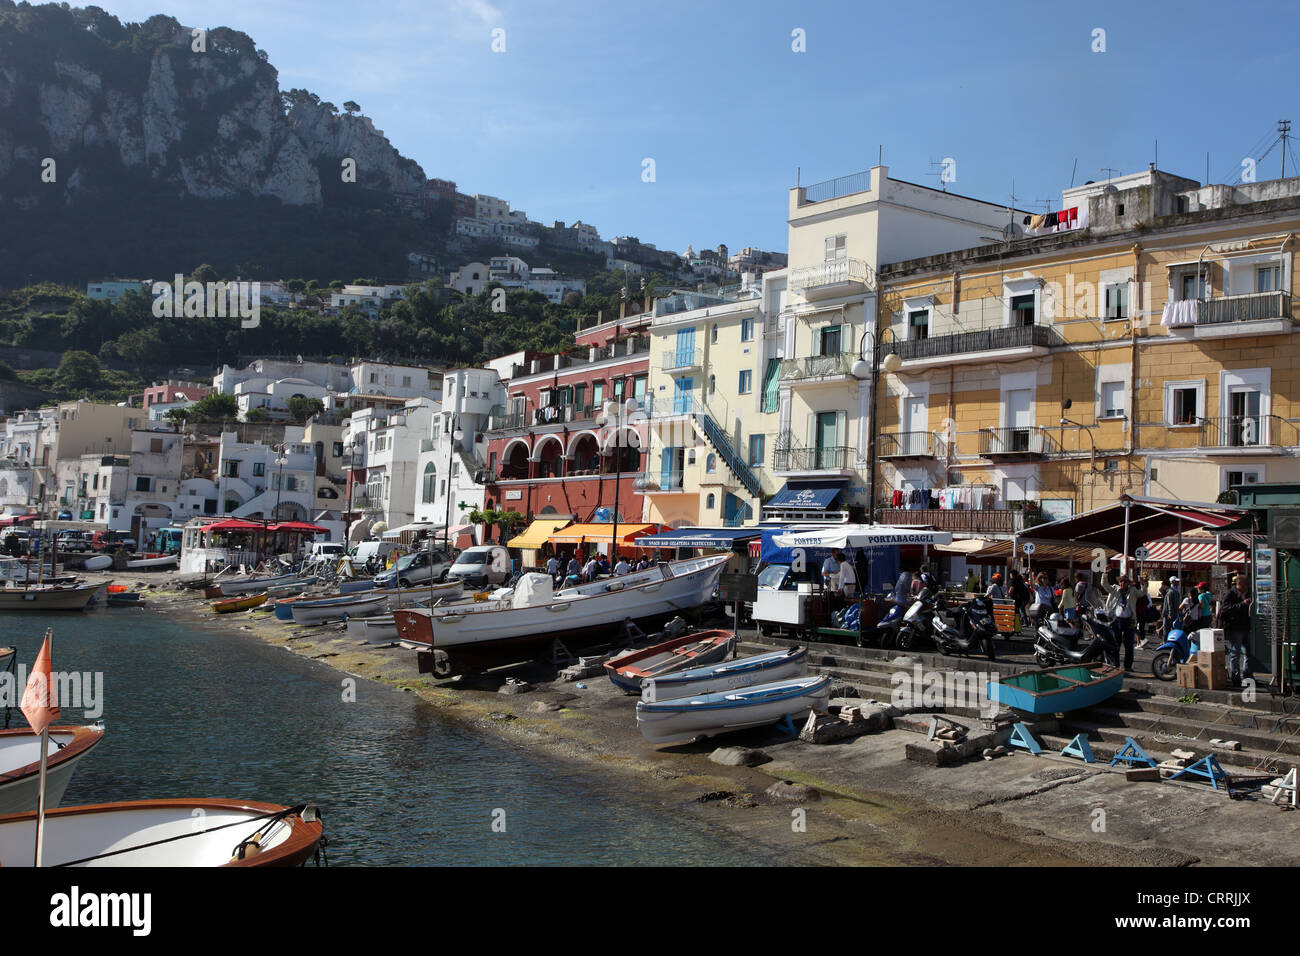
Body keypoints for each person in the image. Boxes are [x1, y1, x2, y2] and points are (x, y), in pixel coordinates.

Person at [1219, 575, 1253, 686]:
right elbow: (1225, 609)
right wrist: (1242, 604)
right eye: (1246, 584)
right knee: (1235, 653)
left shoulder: (1249, 593)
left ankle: (1248, 675)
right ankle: (1236, 677)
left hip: (1246, 626)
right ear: (1239, 584)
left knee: (1248, 653)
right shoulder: (1230, 594)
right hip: (1235, 627)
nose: (1248, 586)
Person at [1105, 574, 1138, 671]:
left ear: (1128, 583)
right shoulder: (1115, 590)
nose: (1122, 583)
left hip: (1129, 620)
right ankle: (1116, 664)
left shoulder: (1132, 591)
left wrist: (1145, 585)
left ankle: (1128, 666)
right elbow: (1104, 585)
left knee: (1129, 645)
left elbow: (1142, 593)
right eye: (1121, 581)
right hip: (1117, 620)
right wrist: (1105, 574)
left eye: (1125, 581)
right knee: (1116, 644)